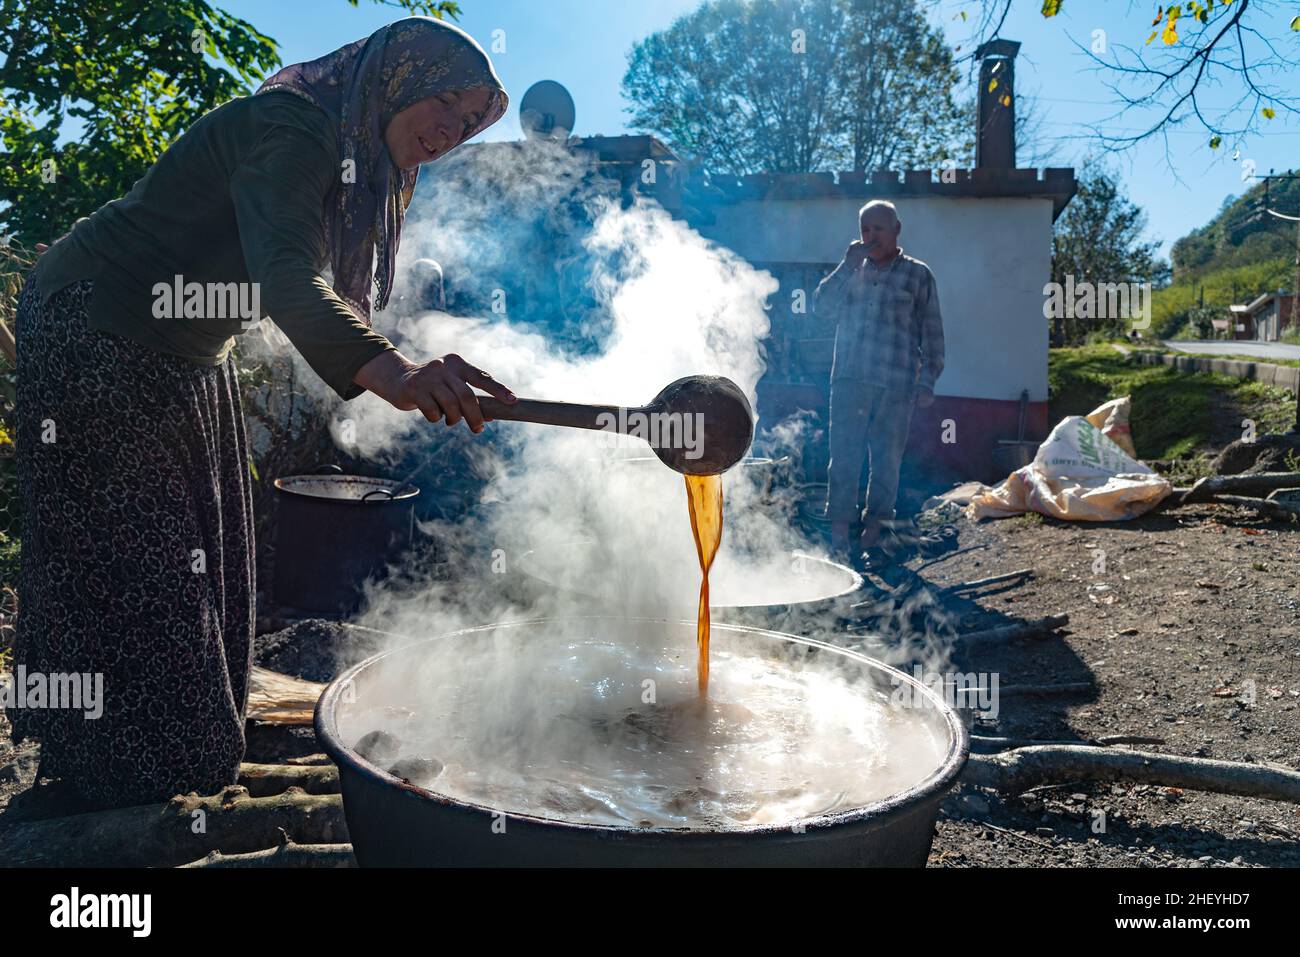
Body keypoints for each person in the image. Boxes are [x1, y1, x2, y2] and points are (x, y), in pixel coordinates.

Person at [15, 17, 515, 809]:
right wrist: (395, 372)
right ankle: (122, 776)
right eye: (445, 102)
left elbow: (321, 295)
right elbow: (286, 276)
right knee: (137, 554)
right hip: (97, 324)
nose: (453, 129)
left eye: (473, 119)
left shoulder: (360, 168)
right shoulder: (297, 130)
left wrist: (417, 365)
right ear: (397, 79)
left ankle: (181, 747)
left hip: (187, 350)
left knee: (210, 556)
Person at [814, 200, 945, 568]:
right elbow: (821, 309)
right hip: (849, 380)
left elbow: (932, 334)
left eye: (878, 229)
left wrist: (927, 382)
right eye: (865, 229)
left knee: (886, 462)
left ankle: (873, 536)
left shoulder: (918, 275)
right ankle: (840, 537)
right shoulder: (850, 271)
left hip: (896, 384)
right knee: (843, 458)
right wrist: (845, 266)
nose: (870, 237)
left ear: (897, 229)